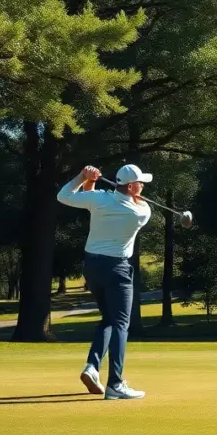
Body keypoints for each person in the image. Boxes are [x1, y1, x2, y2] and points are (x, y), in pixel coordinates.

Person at [57, 163, 153, 400]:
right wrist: (91, 182)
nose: (143, 186)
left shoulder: (99, 200)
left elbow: (64, 196)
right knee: (121, 324)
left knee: (109, 319)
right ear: (131, 186)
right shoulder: (140, 212)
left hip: (92, 267)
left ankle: (92, 366)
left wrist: (84, 177)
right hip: (117, 269)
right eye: (140, 183)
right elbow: (136, 202)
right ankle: (115, 384)